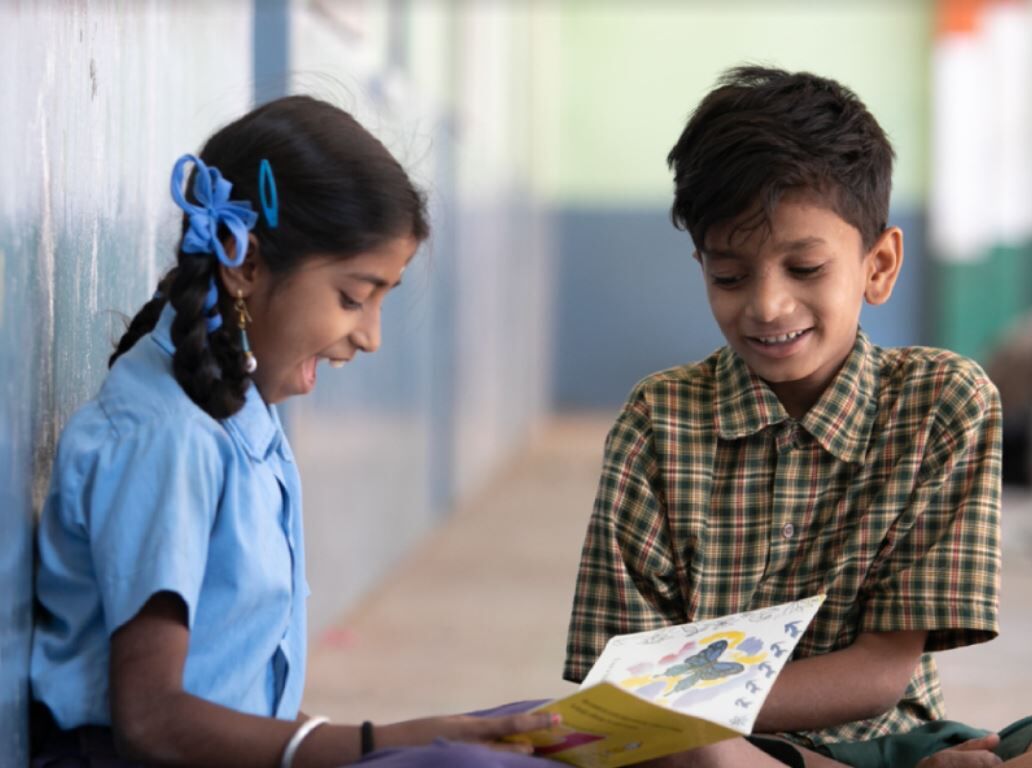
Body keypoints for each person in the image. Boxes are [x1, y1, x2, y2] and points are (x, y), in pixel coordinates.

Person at [30, 95, 559, 768]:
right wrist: (379, 742)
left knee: (525, 729)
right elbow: (151, 721)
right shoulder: (165, 435)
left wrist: (393, 739)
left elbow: (240, 696)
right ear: (245, 265)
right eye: (352, 297)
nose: (370, 337)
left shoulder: (235, 405)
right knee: (466, 761)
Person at [563, 67, 1031, 768]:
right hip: (723, 754)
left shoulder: (945, 403)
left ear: (878, 265)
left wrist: (669, 704)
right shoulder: (657, 423)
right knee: (695, 757)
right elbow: (626, 696)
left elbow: (881, 673)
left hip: (898, 744)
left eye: (805, 268)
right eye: (729, 275)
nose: (767, 305)